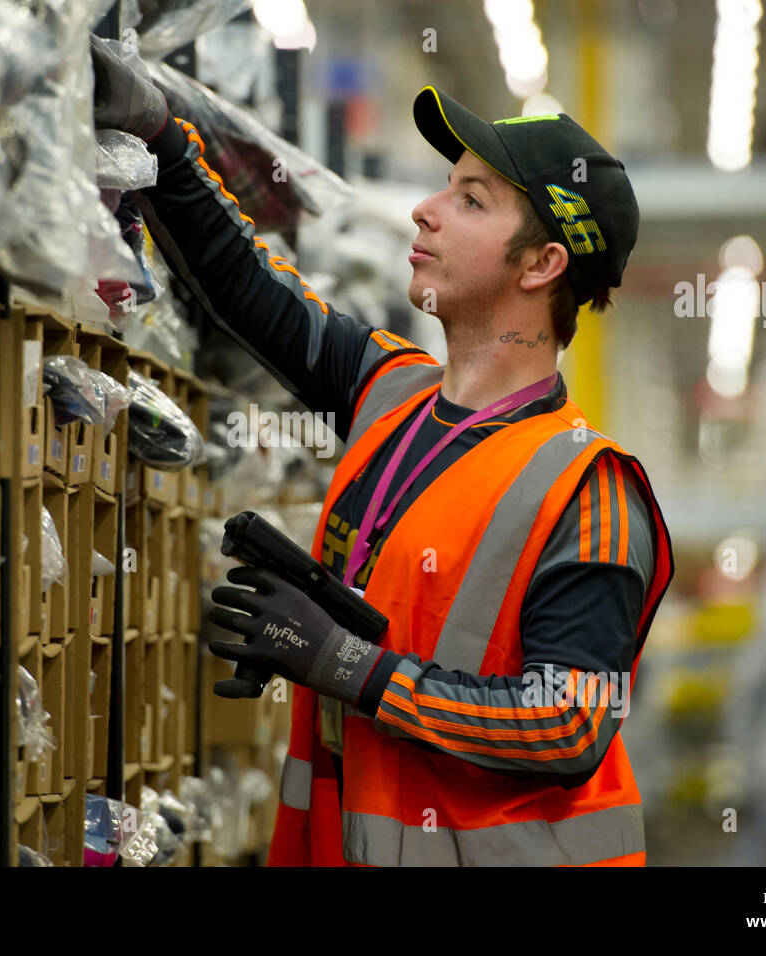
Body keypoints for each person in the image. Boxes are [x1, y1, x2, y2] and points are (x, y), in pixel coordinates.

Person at [91, 35, 674, 867]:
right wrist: (157, 130)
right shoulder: (390, 392)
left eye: (472, 201)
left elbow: (566, 726)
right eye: (445, 188)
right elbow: (252, 288)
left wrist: (345, 661)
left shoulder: (590, 491)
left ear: (544, 264)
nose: (426, 210)